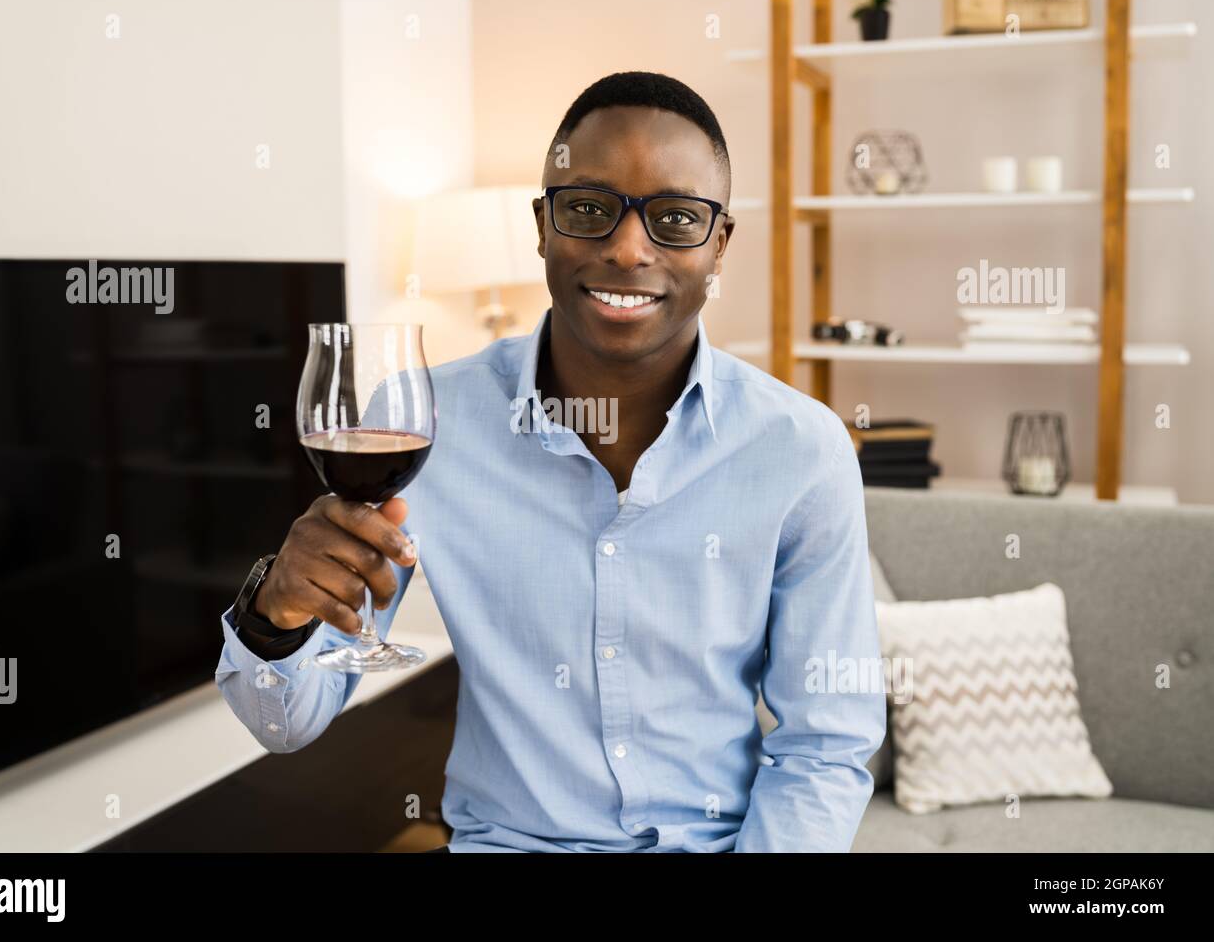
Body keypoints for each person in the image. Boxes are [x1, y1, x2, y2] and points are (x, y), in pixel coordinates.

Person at [215, 71, 886, 852]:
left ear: (720, 246)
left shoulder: (801, 450)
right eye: (590, 209)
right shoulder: (425, 421)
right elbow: (283, 725)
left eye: (675, 218)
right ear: (542, 225)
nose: (628, 249)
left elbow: (825, 746)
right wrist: (276, 620)